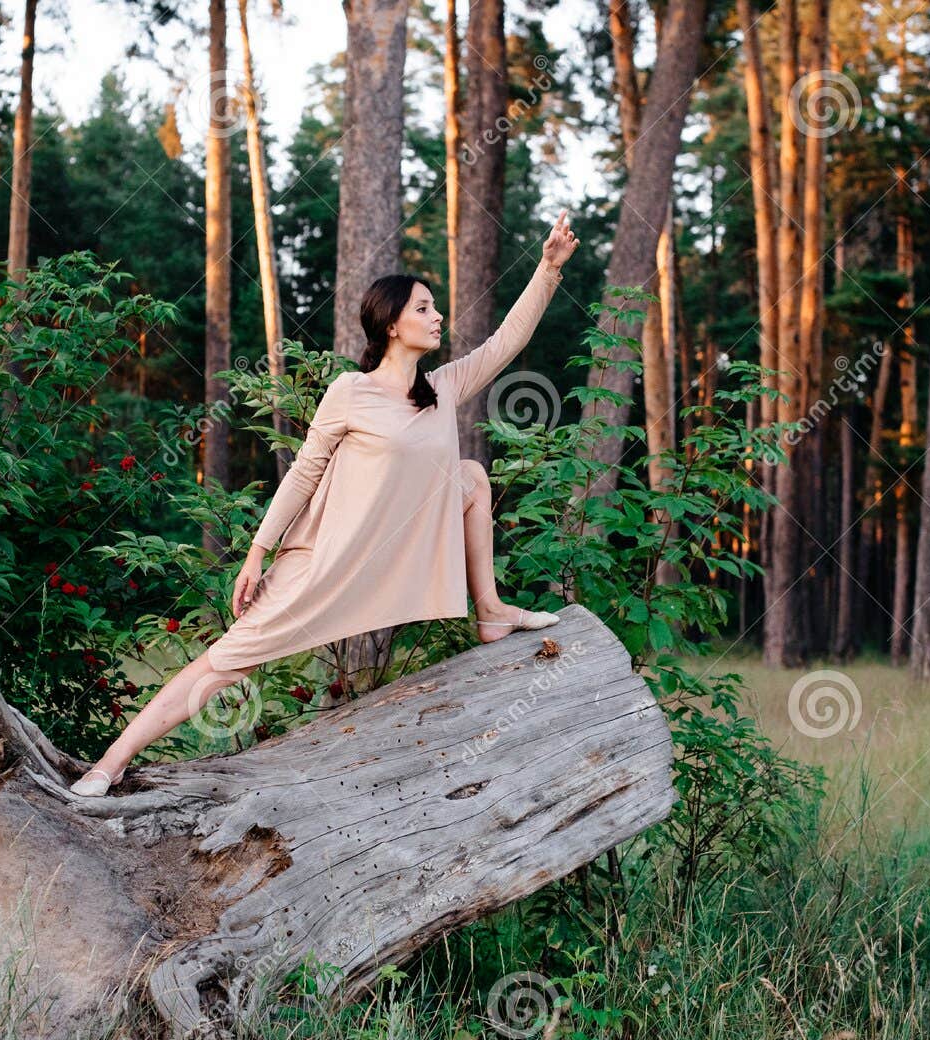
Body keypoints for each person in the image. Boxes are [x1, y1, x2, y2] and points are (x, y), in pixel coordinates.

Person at [71, 210, 580, 796]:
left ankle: (489, 611)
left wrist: (546, 268)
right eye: (423, 307)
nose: (437, 316)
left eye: (435, 307)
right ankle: (109, 765)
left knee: (470, 476)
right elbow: (303, 474)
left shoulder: (441, 389)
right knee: (226, 663)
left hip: (388, 561)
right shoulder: (351, 392)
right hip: (322, 566)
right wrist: (257, 554)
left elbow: (507, 341)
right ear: (390, 323)